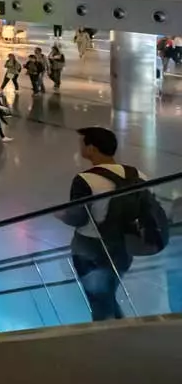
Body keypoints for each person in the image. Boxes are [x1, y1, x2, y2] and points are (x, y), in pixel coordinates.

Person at [61, 127, 139, 321]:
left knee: (98, 300)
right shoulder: (137, 175)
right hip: (124, 246)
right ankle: (123, 333)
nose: (80, 148)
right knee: (106, 294)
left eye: (83, 144)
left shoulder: (85, 180)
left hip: (89, 246)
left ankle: (107, 341)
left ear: (92, 149)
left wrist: (61, 215)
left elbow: (78, 218)